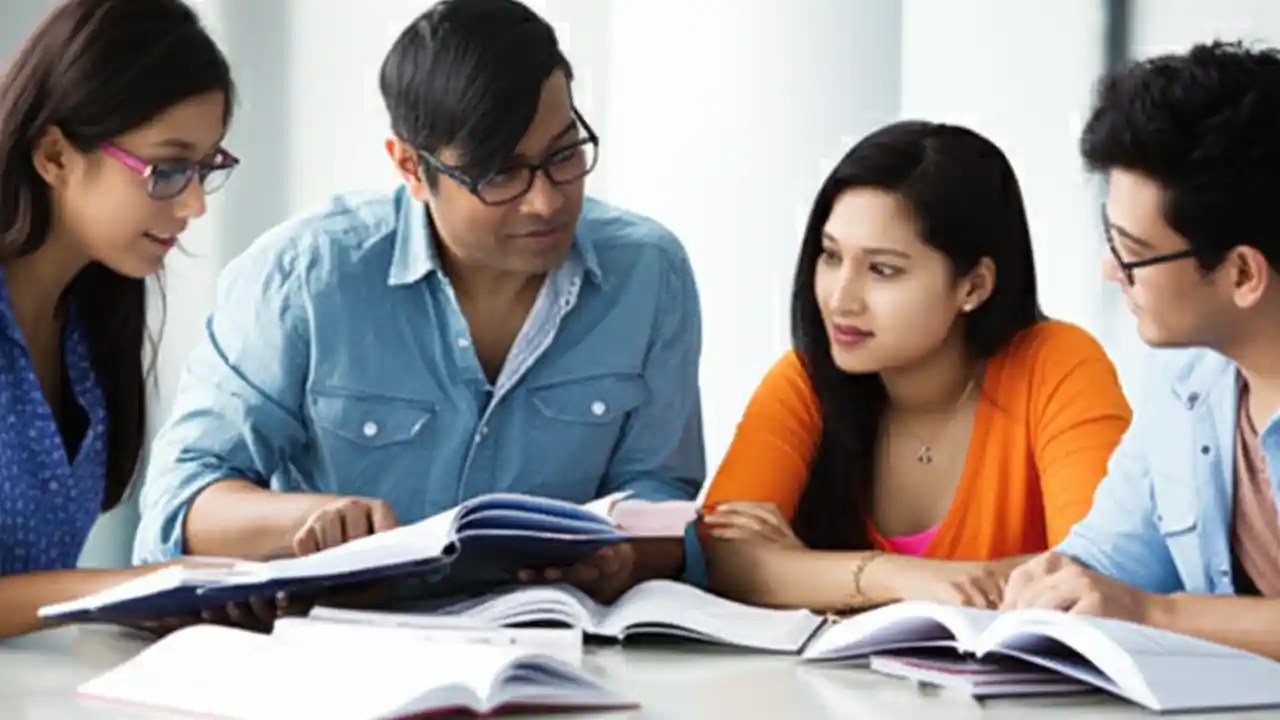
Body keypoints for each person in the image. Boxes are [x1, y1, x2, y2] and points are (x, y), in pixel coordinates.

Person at [132, 0, 703, 604]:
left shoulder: (648, 273)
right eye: (500, 174)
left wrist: (624, 558)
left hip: (555, 637)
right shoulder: (304, 276)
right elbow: (176, 507)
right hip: (341, 644)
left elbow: (662, 494)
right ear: (409, 166)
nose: (545, 202)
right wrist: (310, 518)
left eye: (563, 155)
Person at [697, 121, 1131, 611]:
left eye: (883, 270)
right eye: (831, 256)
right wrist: (896, 575)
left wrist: (805, 571)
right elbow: (727, 556)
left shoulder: (1057, 365)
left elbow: (1092, 571)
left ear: (973, 287)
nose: (841, 299)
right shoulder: (806, 379)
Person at [1002, 42, 1280, 661]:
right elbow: (1108, 559)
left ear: (1242, 273)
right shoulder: (1184, 376)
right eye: (1111, 239)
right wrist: (1055, 584)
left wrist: (1154, 613)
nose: (1111, 270)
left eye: (1133, 252)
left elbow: (1136, 602)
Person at [0, 0, 248, 638]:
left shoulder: (92, 321)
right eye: (168, 170)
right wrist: (132, 588)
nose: (194, 204)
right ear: (54, 155)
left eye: (205, 168)